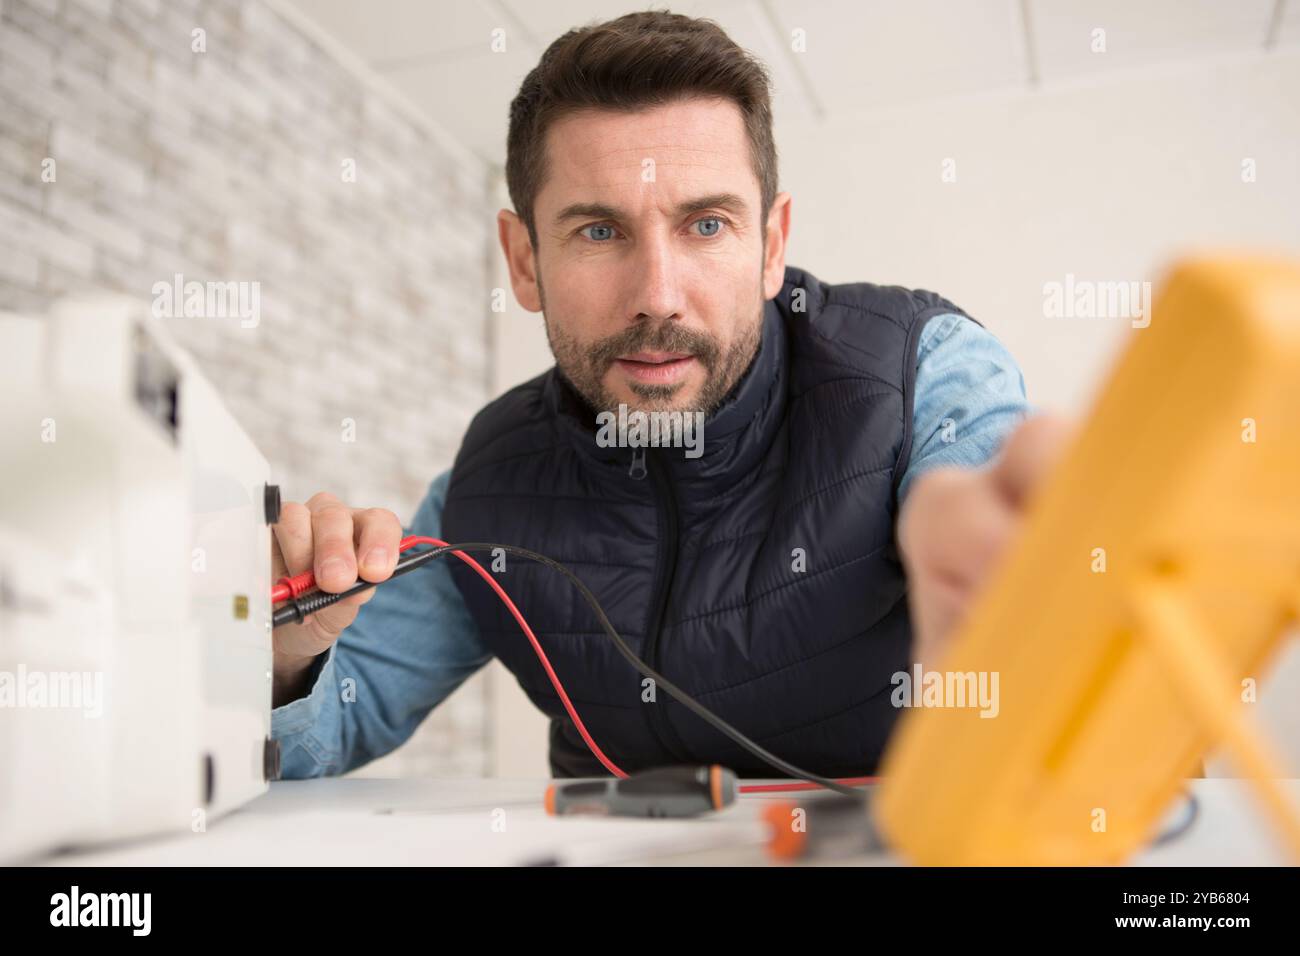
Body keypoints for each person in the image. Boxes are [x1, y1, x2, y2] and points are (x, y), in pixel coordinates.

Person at [269, 11, 1069, 779]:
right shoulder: (491, 474)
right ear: (522, 260)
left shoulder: (922, 369)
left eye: (708, 225)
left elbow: (1029, 607)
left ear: (772, 245)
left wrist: (1019, 614)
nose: (657, 295)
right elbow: (333, 721)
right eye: (599, 231)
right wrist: (288, 655)